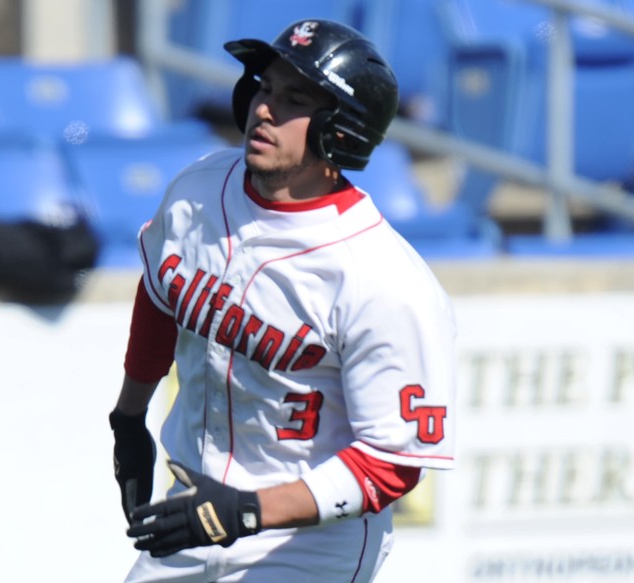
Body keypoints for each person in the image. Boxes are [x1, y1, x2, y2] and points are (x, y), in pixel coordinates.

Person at [108, 18, 457, 583]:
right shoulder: (198, 189)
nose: (264, 109)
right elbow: (159, 291)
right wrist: (128, 417)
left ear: (340, 129)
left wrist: (246, 511)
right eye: (264, 88)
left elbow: (392, 464)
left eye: (293, 99)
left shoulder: (384, 279)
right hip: (190, 515)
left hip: (307, 546)